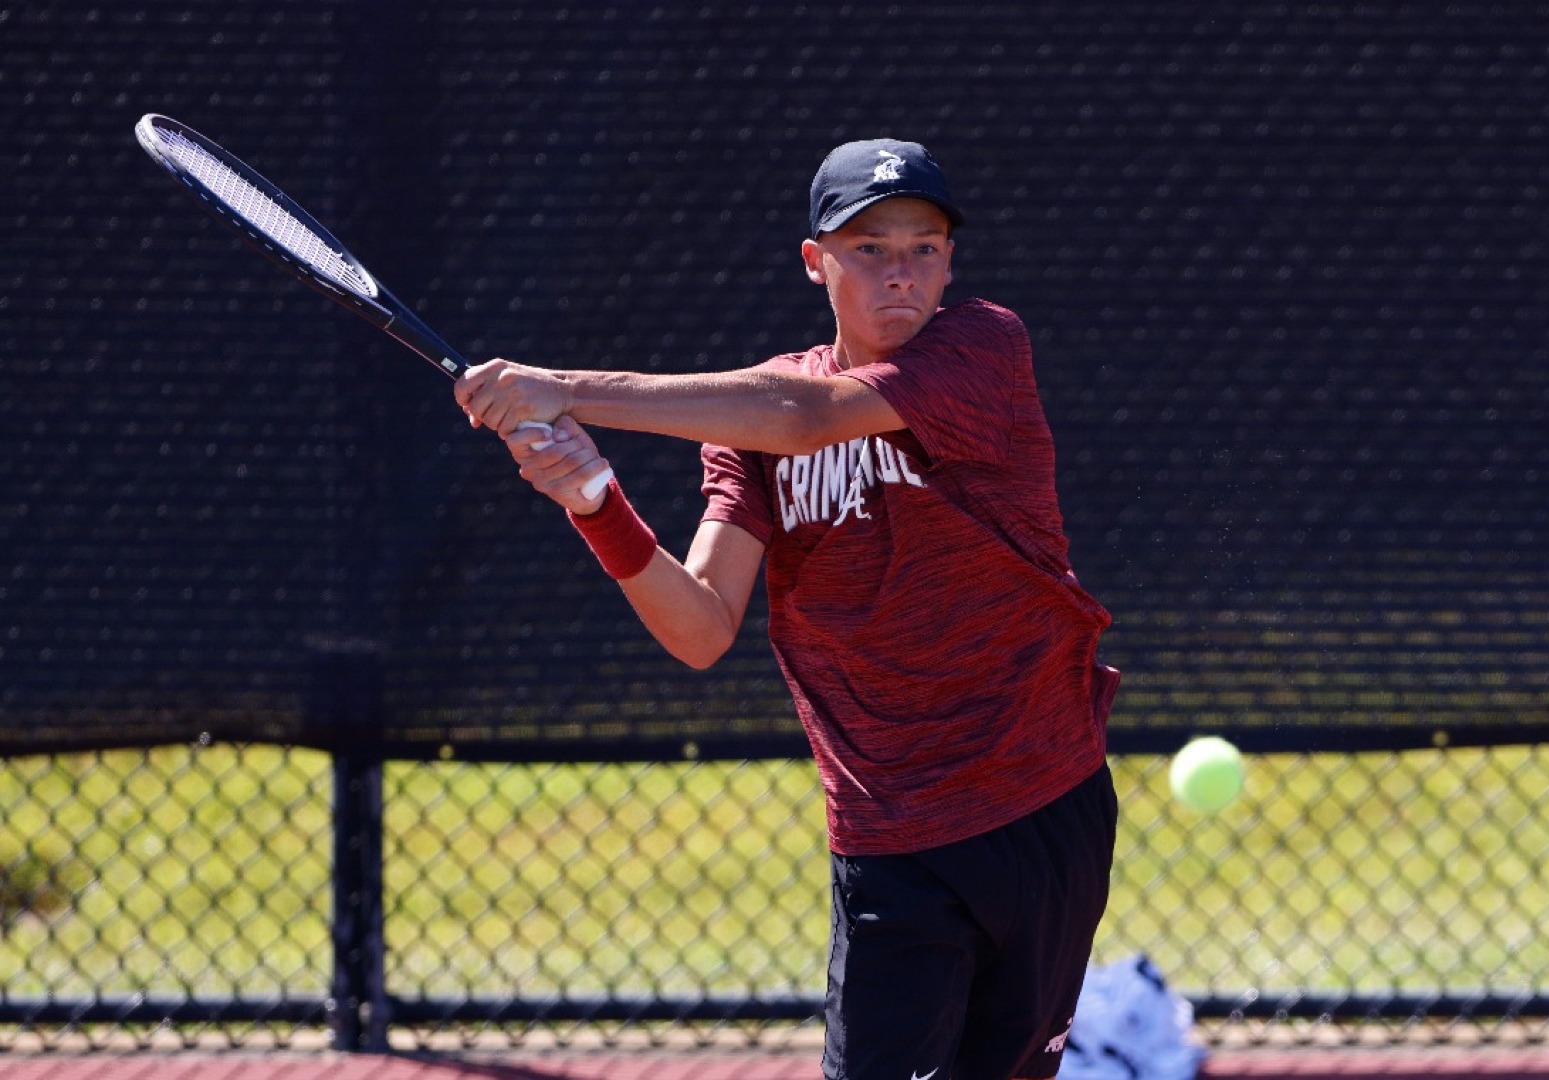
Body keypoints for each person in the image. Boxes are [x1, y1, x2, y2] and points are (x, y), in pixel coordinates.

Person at [454, 138, 1121, 1080]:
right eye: (869, 248)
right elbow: (698, 628)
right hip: (890, 839)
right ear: (816, 261)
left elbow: (804, 415)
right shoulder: (754, 426)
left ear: (951, 261)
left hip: (1042, 805)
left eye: (923, 248)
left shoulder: (983, 347)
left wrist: (566, 388)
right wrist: (598, 505)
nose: (901, 274)